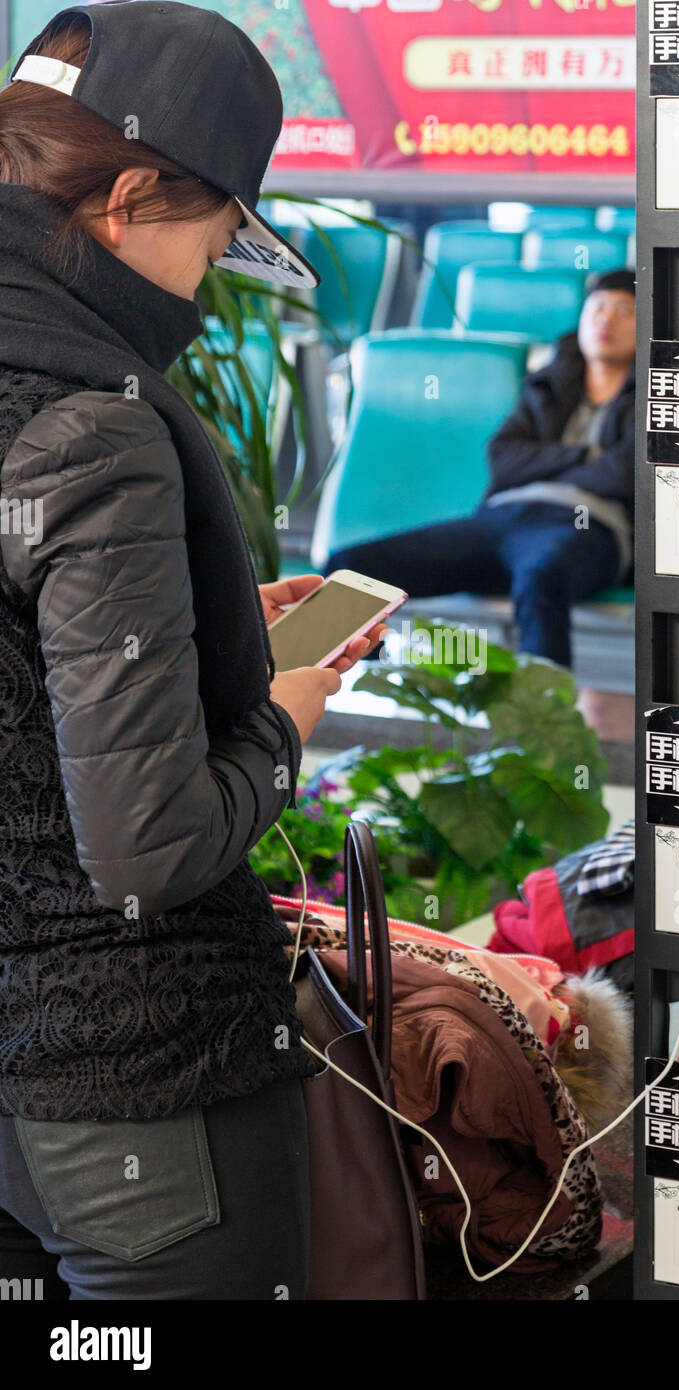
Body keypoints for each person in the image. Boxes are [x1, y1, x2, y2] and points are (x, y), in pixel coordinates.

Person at [0, 3, 386, 1301]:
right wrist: (277, 714)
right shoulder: (92, 425)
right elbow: (148, 842)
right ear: (126, 202)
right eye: (215, 241)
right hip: (132, 1092)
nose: (209, 282)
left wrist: (192, 619)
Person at [325, 268, 637, 669]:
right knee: (350, 569)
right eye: (597, 308)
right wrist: (586, 457)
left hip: (587, 526)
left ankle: (542, 722)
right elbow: (503, 459)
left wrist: (541, 463)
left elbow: (628, 474)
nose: (605, 321)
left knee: (540, 577)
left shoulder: (658, 392)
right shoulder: (547, 385)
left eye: (624, 311)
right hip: (501, 518)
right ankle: (367, 680)